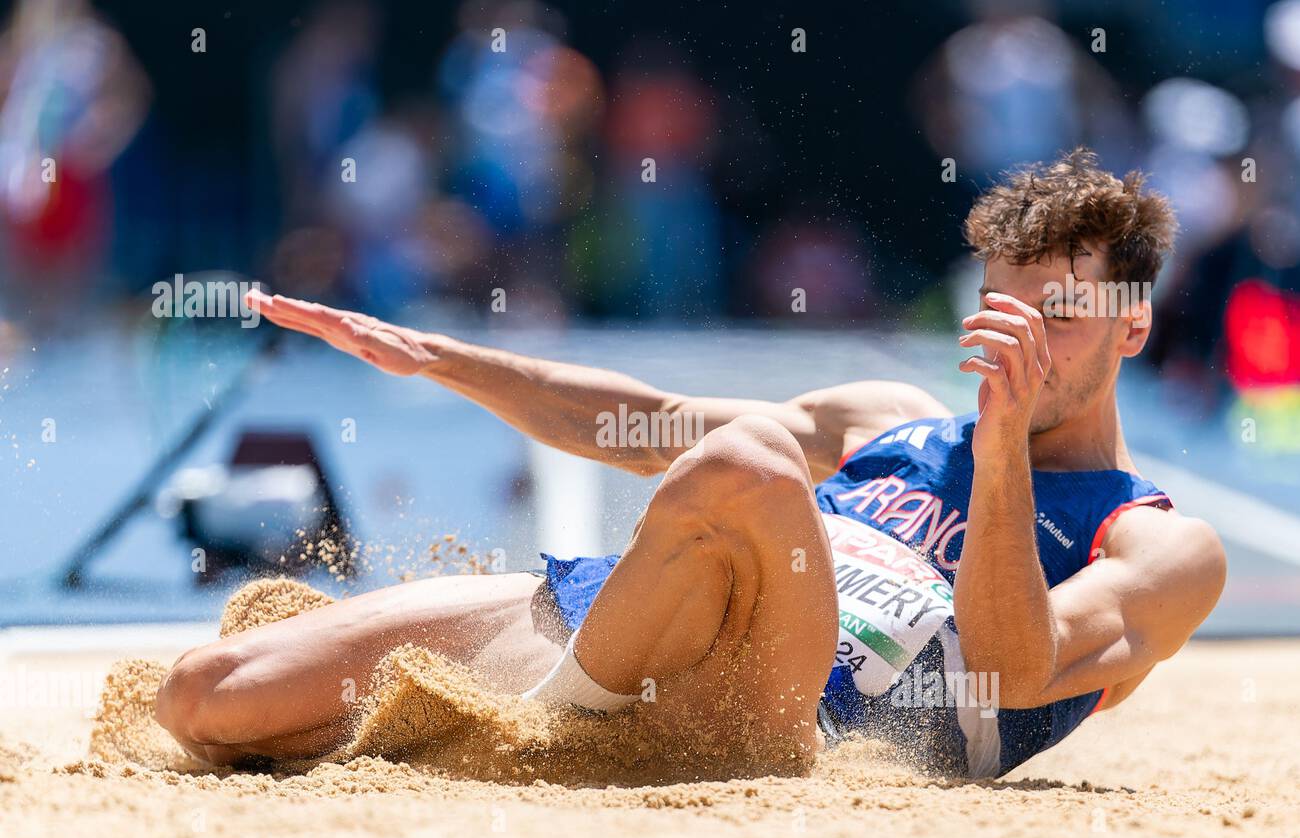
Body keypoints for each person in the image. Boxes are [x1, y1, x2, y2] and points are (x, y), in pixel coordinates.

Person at [154, 148, 1227, 779]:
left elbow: (1021, 667)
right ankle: (554, 713)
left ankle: (549, 724)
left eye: (1059, 313)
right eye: (1001, 302)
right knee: (205, 698)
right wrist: (431, 354)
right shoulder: (893, 419)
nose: (1020, 334)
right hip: (630, 615)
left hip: (772, 708)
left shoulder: (1155, 542)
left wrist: (1000, 460)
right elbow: (649, 419)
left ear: (1132, 327)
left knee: (753, 464)